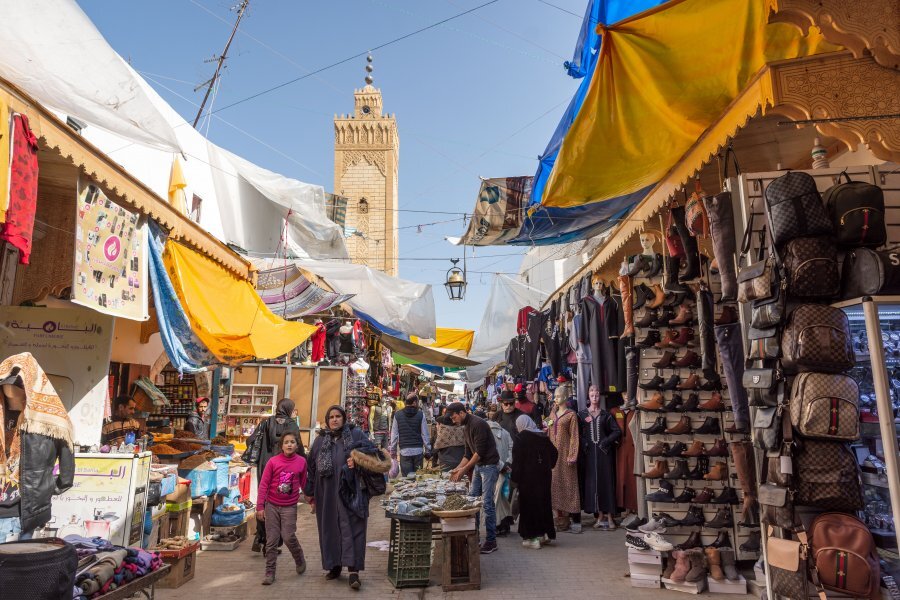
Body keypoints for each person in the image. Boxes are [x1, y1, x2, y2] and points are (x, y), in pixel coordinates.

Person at [305, 405, 370, 590]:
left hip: (351, 492)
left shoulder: (356, 435)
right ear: (327, 420)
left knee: (353, 528)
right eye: (331, 417)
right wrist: (310, 493)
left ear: (344, 418)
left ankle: (354, 571)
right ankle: (334, 566)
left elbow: (373, 454)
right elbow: (311, 469)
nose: (334, 419)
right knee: (329, 529)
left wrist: (358, 461)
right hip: (326, 493)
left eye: (338, 416)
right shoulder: (319, 441)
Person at [250, 398, 306, 553]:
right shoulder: (292, 425)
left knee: (266, 500)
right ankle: (272, 544)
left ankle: (261, 537)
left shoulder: (266, 423)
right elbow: (298, 446)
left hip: (265, 466)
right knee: (280, 503)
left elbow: (251, 440)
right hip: (284, 468)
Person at [447, 402, 501, 554]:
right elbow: (467, 454)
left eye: (454, 417)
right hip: (479, 467)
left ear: (462, 413)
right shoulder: (466, 428)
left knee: (487, 503)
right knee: (472, 500)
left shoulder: (478, 424)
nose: (453, 420)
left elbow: (479, 453)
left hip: (489, 466)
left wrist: (464, 469)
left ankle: (491, 541)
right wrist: (457, 469)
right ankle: (474, 536)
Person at [257, 431, 308, 585]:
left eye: (292, 442)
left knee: (288, 536)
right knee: (271, 541)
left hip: (290, 507)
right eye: (286, 442)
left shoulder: (301, 462)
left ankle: (299, 557)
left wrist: (311, 500)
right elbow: (264, 484)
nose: (289, 444)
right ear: (281, 446)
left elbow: (305, 483)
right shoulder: (273, 462)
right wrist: (260, 506)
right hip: (271, 505)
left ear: (297, 445)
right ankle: (270, 572)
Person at [578, 385, 621, 531]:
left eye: (597, 392)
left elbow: (616, 431)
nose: (594, 394)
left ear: (599, 396)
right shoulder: (582, 415)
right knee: (594, 484)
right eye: (591, 391)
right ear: (588, 395)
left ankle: (610, 517)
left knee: (606, 483)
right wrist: (585, 444)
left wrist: (605, 442)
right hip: (590, 455)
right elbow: (578, 434)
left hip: (604, 454)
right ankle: (600, 516)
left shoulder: (606, 415)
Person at [511, 415, 557, 549]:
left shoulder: (521, 439)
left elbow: (517, 462)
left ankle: (532, 538)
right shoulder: (542, 436)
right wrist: (548, 466)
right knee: (543, 504)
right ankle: (545, 535)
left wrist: (515, 479)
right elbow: (555, 453)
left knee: (529, 507)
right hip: (544, 478)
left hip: (528, 480)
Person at [547, 386, 581, 534]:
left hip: (566, 454)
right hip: (553, 456)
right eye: (555, 396)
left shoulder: (571, 415)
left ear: (566, 397)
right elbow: (548, 431)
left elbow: (575, 436)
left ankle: (572, 518)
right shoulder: (553, 414)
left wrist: (572, 455)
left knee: (569, 485)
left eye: (559, 396)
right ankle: (557, 518)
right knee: (555, 485)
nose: (556, 398)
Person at [389, 393, 430, 477]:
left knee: (407, 480)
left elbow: (394, 434)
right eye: (418, 402)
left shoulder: (398, 415)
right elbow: (425, 434)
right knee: (418, 479)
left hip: (405, 452)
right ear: (414, 402)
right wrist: (428, 450)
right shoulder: (420, 414)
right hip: (418, 451)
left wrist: (393, 451)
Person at [487, 406, 514, 537]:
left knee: (495, 499)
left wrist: (502, 465)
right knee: (503, 498)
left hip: (492, 470)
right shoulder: (506, 433)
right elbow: (511, 449)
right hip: (505, 470)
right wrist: (508, 463)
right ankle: (505, 524)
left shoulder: (486, 433)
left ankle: (497, 526)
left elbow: (489, 453)